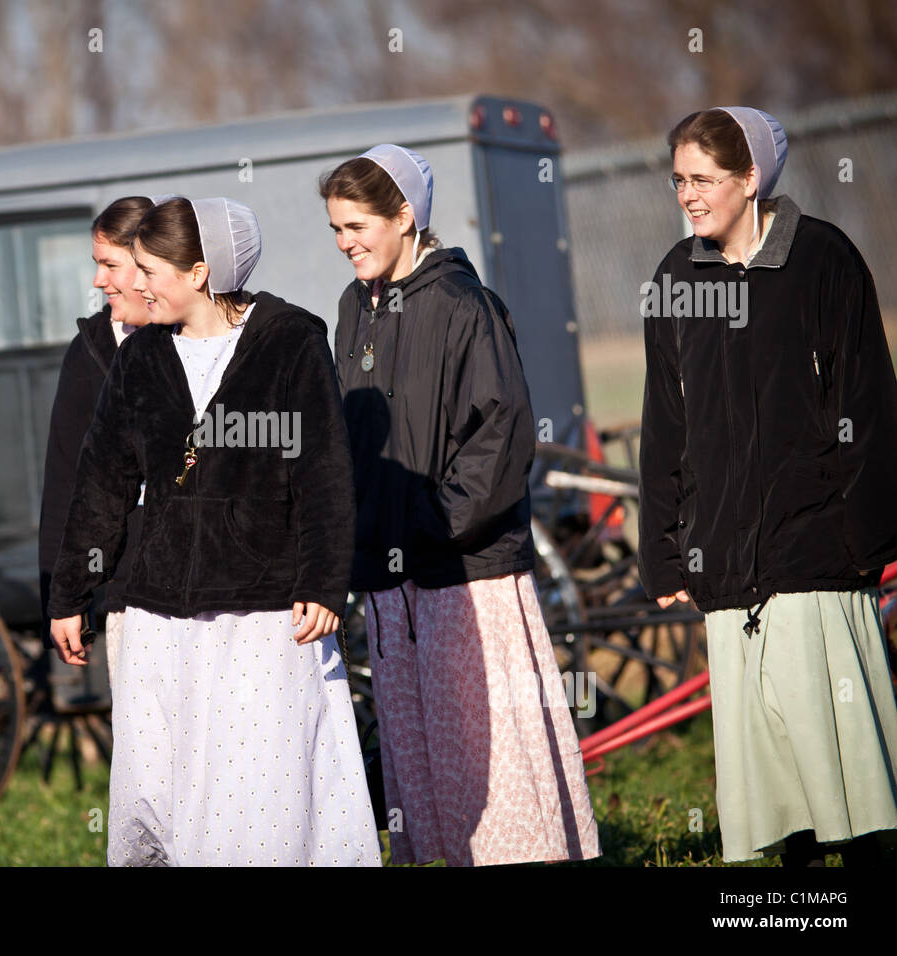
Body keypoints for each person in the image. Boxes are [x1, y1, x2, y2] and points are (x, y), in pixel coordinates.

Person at [48, 197, 380, 866]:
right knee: (167, 797)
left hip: (261, 616)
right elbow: (103, 481)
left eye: (149, 270)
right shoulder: (142, 354)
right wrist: (70, 592)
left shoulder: (291, 341)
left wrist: (323, 579)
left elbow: (323, 471)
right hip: (160, 616)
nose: (135, 286)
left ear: (199, 271)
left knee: (257, 794)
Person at [319, 144, 601, 866]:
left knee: (493, 765)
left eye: (358, 226)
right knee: (429, 780)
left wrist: (427, 527)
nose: (347, 243)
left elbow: (501, 435)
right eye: (337, 230)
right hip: (391, 589)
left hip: (464, 578)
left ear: (405, 215)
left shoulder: (461, 304)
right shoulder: (354, 310)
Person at [639, 107, 897, 866]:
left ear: (750, 178)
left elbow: (869, 409)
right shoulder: (677, 277)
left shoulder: (823, 259)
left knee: (854, 790)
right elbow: (666, 425)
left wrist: (867, 542)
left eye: (704, 179)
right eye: (679, 179)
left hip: (819, 563)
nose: (687, 195)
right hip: (725, 572)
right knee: (783, 808)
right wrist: (663, 550)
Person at [39, 196, 153, 685]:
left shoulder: (201, 339)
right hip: (129, 590)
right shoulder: (89, 354)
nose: (97, 280)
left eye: (110, 265)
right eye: (97, 264)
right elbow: (66, 481)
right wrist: (63, 597)